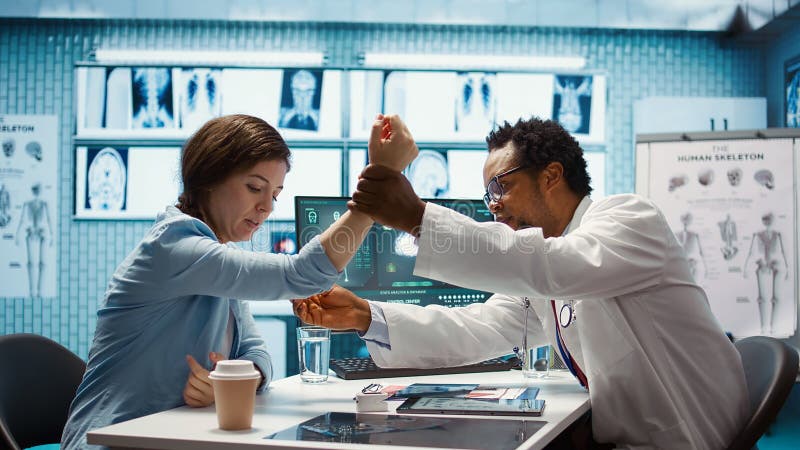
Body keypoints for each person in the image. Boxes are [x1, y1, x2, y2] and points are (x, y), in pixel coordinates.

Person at [294, 116, 749, 449]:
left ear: (551, 176)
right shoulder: (545, 267)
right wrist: (366, 316)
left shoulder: (629, 219)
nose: (493, 206)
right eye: (487, 195)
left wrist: (417, 217)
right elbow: (478, 327)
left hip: (688, 437)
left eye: (500, 187)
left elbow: (553, 267)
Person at [62, 113, 416, 450]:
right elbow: (302, 275)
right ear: (208, 179)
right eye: (254, 187)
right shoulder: (174, 247)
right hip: (111, 438)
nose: (267, 207)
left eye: (274, 194)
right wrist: (378, 186)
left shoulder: (216, 258)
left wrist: (228, 381)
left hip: (173, 434)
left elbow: (256, 353)